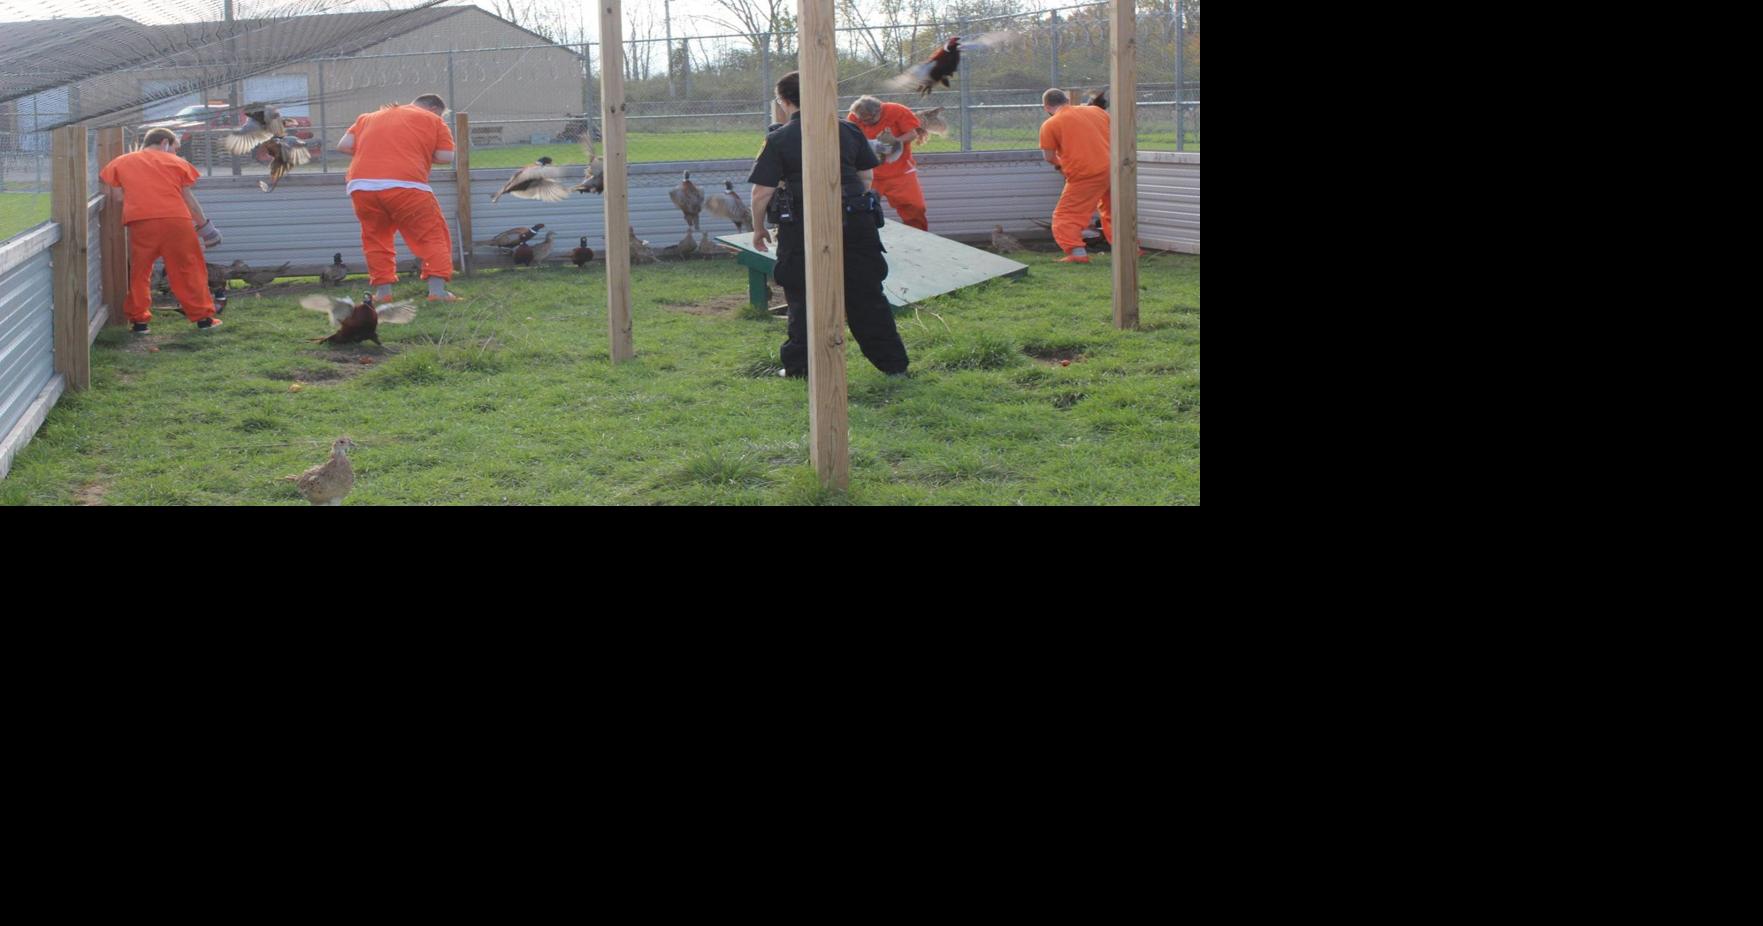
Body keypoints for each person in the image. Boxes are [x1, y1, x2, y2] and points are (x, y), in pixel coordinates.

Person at [749, 72, 910, 379]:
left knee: (803, 296)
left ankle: (799, 368)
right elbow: (866, 177)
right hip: (856, 220)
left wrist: (759, 228)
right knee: (867, 294)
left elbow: (762, 193)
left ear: (783, 101)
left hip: (803, 225)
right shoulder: (848, 130)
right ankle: (894, 367)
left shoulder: (778, 138)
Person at [333, 93, 461, 302]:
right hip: (406, 185)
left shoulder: (368, 117)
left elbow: (344, 145)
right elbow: (446, 157)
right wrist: (417, 151)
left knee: (375, 237)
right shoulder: (434, 120)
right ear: (435, 110)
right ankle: (437, 292)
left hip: (361, 186)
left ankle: (383, 294)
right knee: (432, 235)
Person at [98, 127, 224, 333]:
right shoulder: (177, 163)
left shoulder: (121, 162)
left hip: (141, 223)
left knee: (140, 272)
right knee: (188, 269)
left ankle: (140, 323)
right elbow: (189, 200)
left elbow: (119, 197)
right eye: (175, 147)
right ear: (165, 142)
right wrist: (204, 227)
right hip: (177, 222)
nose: (176, 153)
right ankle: (203, 320)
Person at [1038, 87, 1115, 264]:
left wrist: (1061, 165)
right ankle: (1130, 249)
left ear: (1046, 107)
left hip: (1085, 174)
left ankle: (1077, 253)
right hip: (1113, 169)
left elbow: (1049, 157)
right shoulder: (1097, 111)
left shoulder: (1050, 124)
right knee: (1114, 211)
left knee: (1066, 215)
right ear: (1066, 100)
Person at [845, 95, 930, 231]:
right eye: (862, 121)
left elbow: (912, 133)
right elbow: (850, 139)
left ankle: (921, 236)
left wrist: (893, 142)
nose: (866, 124)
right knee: (861, 209)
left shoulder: (897, 111)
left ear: (879, 110)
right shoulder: (854, 117)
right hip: (869, 173)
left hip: (900, 172)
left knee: (916, 208)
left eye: (869, 120)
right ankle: (866, 240)